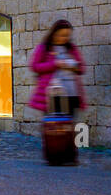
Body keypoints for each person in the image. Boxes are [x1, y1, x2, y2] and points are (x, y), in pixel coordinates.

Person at [29, 20, 86, 165]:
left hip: (71, 93)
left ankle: (70, 157)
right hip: (53, 94)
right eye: (61, 35)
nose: (64, 38)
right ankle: (54, 156)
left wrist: (74, 67)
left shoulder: (71, 48)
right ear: (54, 34)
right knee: (53, 126)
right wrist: (55, 64)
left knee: (70, 125)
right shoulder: (44, 48)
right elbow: (35, 66)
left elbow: (82, 68)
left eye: (67, 35)